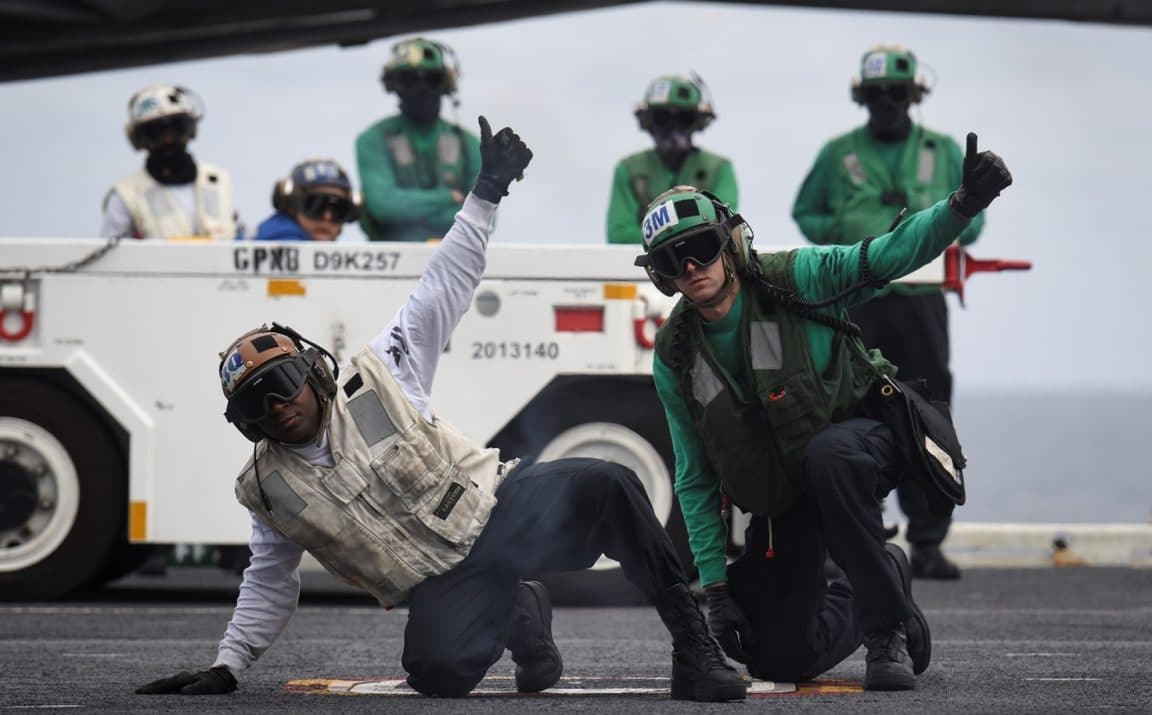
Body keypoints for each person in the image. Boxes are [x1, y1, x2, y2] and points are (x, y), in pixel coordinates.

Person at [134, 117, 747, 703]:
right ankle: (519, 609)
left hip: (499, 508)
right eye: (254, 403)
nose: (276, 407)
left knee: (611, 481)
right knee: (437, 674)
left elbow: (444, 283)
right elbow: (268, 584)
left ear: (314, 372)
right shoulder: (271, 489)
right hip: (443, 575)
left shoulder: (380, 375)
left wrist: (486, 192)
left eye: (283, 382)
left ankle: (694, 650)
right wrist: (227, 666)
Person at [634, 134, 1010, 690]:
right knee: (779, 657)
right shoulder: (676, 353)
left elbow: (888, 253)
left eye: (703, 247)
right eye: (672, 260)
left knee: (829, 455)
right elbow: (693, 475)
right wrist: (714, 589)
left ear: (730, 241)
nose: (691, 267)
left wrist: (962, 205)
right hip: (788, 488)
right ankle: (885, 583)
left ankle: (887, 636)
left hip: (864, 443)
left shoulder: (797, 278)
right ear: (661, 275)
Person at [792, 45, 983, 580]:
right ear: (863, 98)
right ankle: (859, 531)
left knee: (928, 410)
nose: (887, 104)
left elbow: (975, 214)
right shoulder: (837, 154)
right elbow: (807, 212)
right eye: (877, 95)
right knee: (848, 406)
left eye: (896, 93)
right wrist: (850, 246)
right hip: (859, 298)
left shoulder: (943, 151)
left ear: (913, 95)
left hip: (922, 301)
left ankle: (927, 540)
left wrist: (948, 230)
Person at [355, 37, 481, 242]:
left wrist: (410, 213)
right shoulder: (373, 140)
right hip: (393, 262)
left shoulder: (470, 146)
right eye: (409, 80)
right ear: (394, 86)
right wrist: (447, 198)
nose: (421, 90)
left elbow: (483, 217)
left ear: (446, 85)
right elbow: (382, 205)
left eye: (431, 79)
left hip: (456, 263)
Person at [606, 74, 738, 244]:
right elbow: (619, 235)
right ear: (649, 121)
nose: (672, 128)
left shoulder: (719, 168)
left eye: (683, 118)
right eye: (662, 118)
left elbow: (722, 225)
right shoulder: (629, 170)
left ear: (696, 122)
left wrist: (658, 234)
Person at [102, 84, 240, 240]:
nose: (168, 139)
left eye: (177, 128)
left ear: (190, 130)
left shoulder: (219, 181)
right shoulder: (126, 195)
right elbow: (112, 258)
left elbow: (240, 239)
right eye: (156, 133)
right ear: (140, 140)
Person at [252, 159, 362, 242]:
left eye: (338, 208)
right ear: (293, 206)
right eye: (316, 204)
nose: (327, 217)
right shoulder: (281, 239)